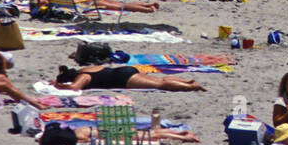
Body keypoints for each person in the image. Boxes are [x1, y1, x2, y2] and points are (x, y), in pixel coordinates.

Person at [54, 65, 205, 92]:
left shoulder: (83, 76)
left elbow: (75, 87)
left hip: (123, 79)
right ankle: (187, 81)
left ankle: (191, 87)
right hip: (123, 71)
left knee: (160, 84)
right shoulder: (86, 69)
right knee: (159, 79)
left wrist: (60, 86)